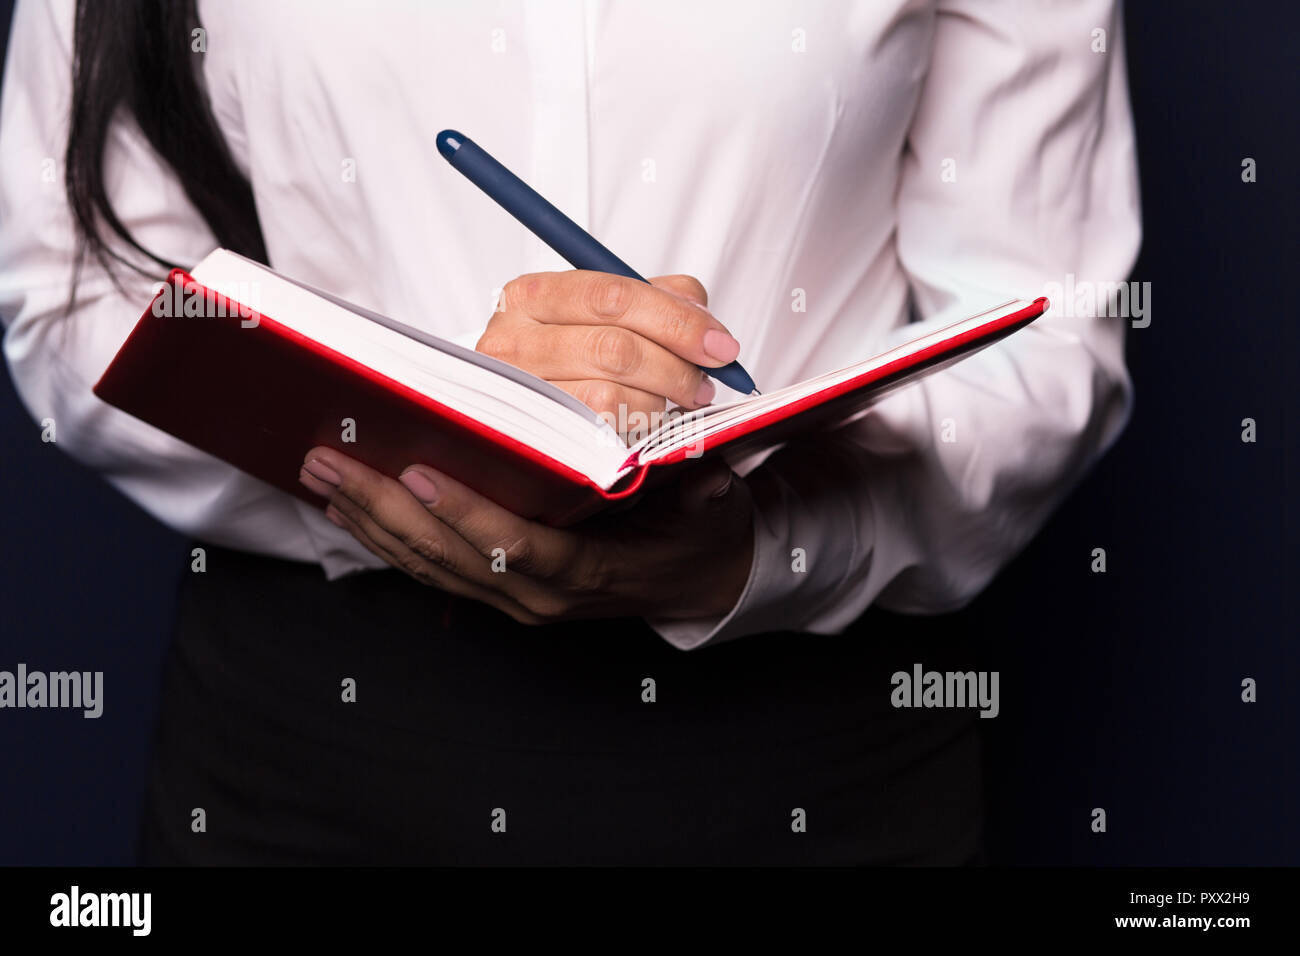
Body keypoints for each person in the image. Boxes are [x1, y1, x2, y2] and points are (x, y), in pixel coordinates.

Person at [0, 0, 1139, 864]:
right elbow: (72, 291)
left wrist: (772, 540)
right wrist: (433, 430)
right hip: (312, 749)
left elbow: (1050, 327)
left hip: (811, 762)